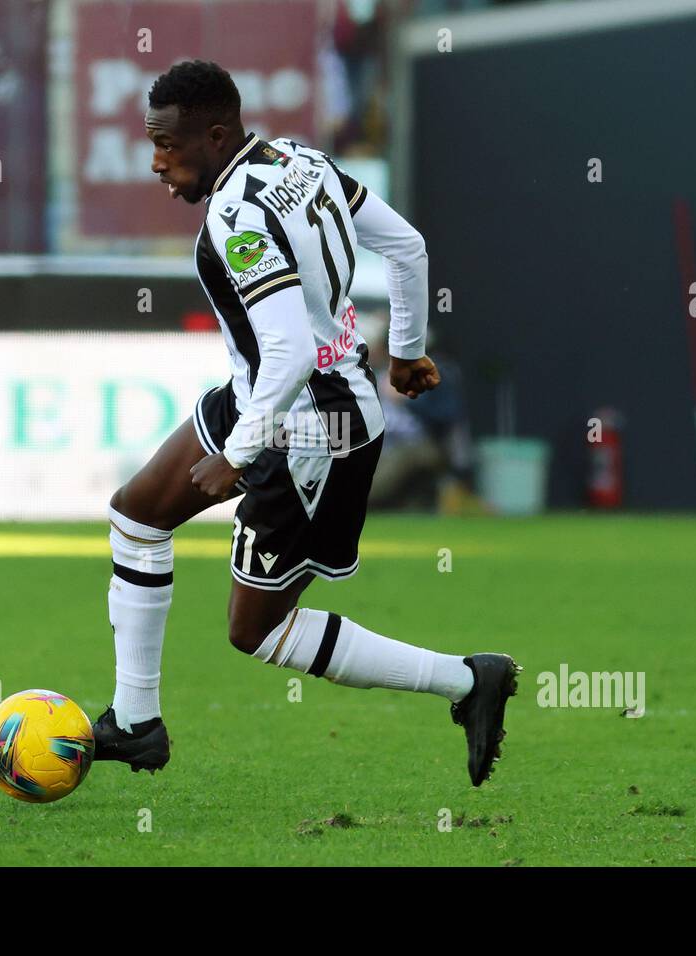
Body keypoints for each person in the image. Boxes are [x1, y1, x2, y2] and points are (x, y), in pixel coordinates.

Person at [94, 60, 519, 787]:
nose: (157, 163)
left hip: (313, 424)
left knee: (253, 632)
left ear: (216, 133)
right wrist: (407, 354)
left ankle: (467, 680)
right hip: (267, 393)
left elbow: (289, 345)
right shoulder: (301, 159)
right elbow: (407, 246)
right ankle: (136, 724)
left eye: (167, 144)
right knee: (137, 515)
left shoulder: (234, 217)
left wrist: (239, 451)